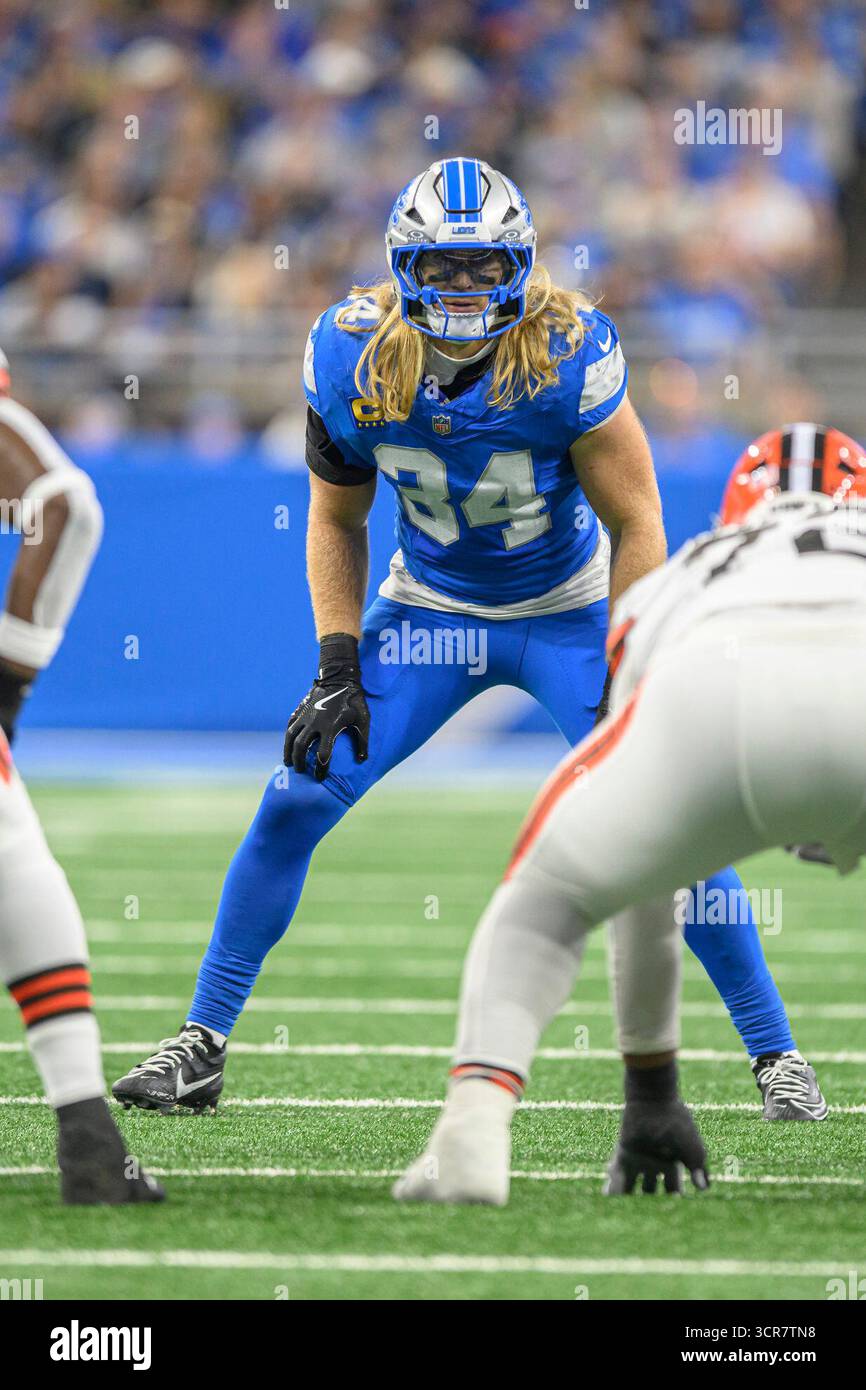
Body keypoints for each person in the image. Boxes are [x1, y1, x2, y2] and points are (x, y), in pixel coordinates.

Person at [114, 161, 821, 1125]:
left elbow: (640, 519)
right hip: (430, 610)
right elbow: (335, 521)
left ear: (519, 267)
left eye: (482, 266)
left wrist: (633, 659)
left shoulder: (569, 351)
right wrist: (336, 663)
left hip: (567, 611)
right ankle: (201, 1043)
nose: (463, 287)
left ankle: (776, 1056)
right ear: (405, 268)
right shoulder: (350, 355)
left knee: (677, 811)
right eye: (442, 269)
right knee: (294, 797)